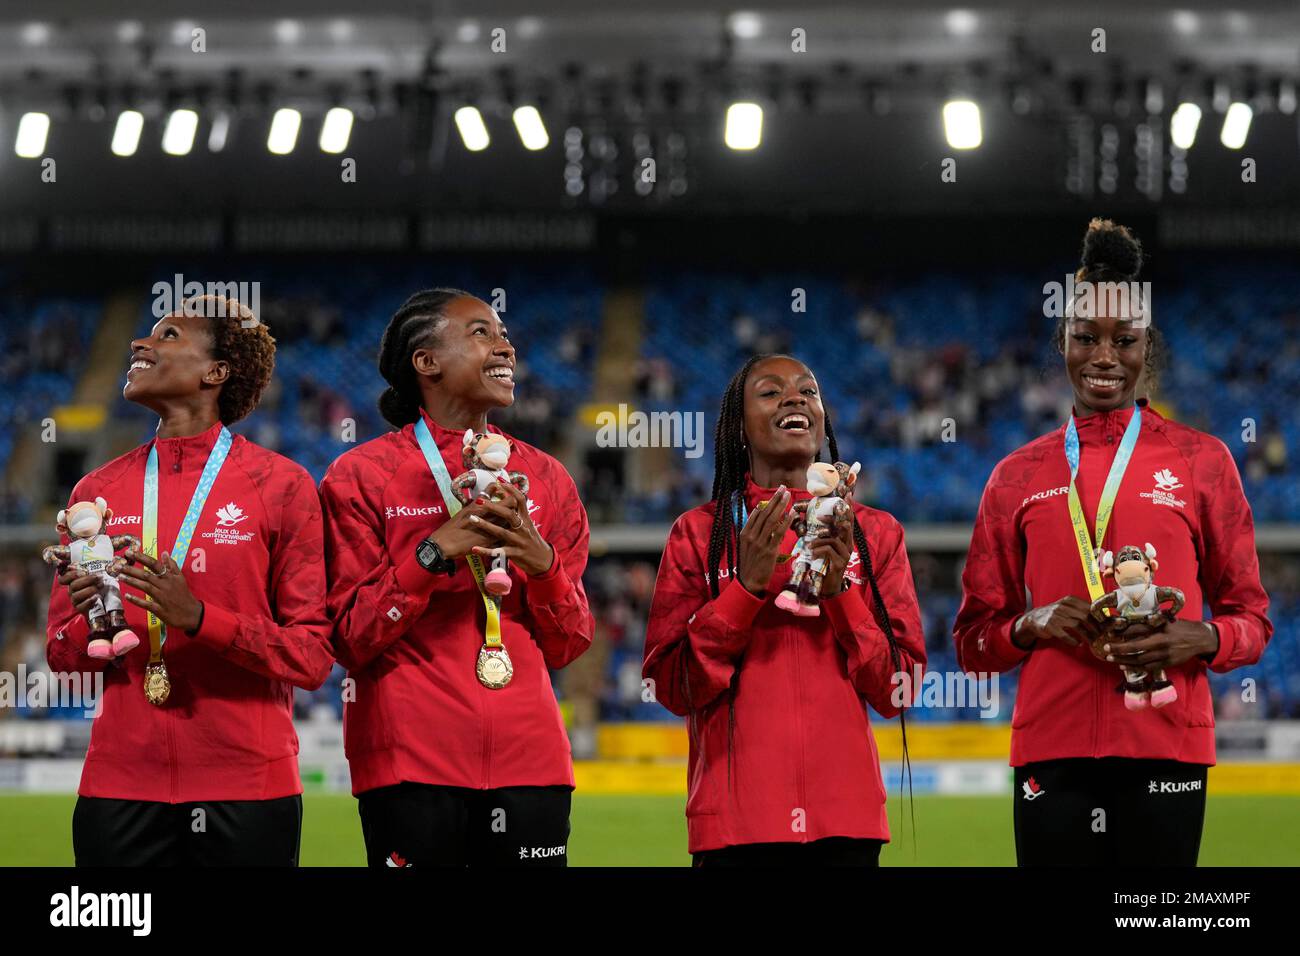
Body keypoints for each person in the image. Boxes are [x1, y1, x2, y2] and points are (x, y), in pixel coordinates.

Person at [953, 219, 1273, 866]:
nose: (1104, 357)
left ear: (1145, 349)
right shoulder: (1016, 475)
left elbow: (1253, 620)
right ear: (1062, 344)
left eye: (1123, 341)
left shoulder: (1201, 461)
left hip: (1168, 743)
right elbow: (973, 643)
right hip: (1052, 747)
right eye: (1085, 338)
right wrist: (1029, 625)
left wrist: (1203, 637)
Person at [46, 295, 333, 866]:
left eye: (169, 335)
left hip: (249, 787)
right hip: (119, 789)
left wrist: (200, 619)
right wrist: (85, 623)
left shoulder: (282, 485)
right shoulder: (95, 493)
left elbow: (312, 657)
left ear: (215, 372)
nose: (139, 344)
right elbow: (61, 655)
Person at [320, 288, 594, 867]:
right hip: (410, 763)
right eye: (482, 333)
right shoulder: (361, 476)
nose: (505, 345)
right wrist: (431, 555)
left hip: (533, 761)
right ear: (427, 362)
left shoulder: (547, 480)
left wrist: (542, 568)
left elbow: (570, 642)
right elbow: (348, 637)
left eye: (504, 334)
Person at [643, 353, 926, 866]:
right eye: (771, 392)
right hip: (735, 829)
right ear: (738, 428)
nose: (795, 398)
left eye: (808, 392)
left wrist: (842, 594)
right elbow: (671, 684)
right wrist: (744, 592)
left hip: (847, 826)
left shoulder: (877, 533)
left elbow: (897, 690)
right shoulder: (698, 534)